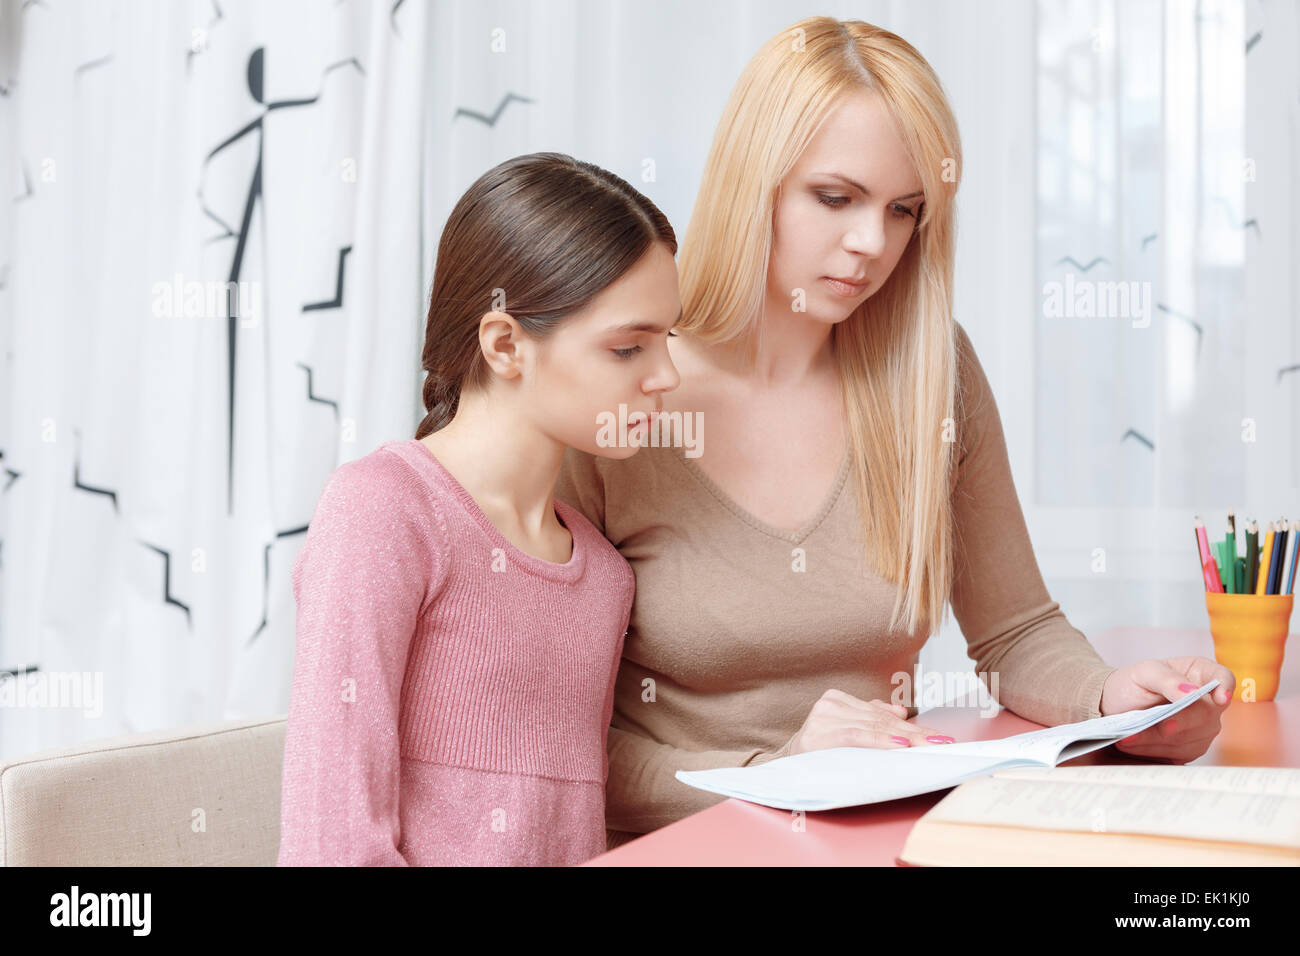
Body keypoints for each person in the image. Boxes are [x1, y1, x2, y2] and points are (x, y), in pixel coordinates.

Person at [554, 16, 1234, 851]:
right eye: (835, 198)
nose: (871, 244)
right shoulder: (620, 385)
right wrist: (780, 770)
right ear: (749, 179)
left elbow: (1015, 631)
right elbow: (549, 737)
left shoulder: (931, 372)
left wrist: (1111, 700)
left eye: (904, 210)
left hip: (883, 841)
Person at [277, 152, 682, 865]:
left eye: (667, 341)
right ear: (504, 344)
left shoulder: (604, 579)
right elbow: (328, 842)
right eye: (628, 348)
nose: (666, 377)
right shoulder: (382, 514)